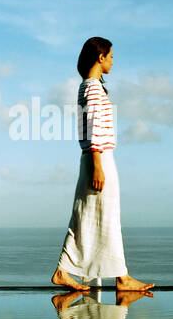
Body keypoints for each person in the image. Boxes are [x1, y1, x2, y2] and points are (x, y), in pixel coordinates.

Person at [51, 37, 154, 293]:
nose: (112, 61)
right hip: (98, 158)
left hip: (96, 157)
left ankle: (70, 270)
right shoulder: (93, 88)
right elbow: (93, 125)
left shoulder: (88, 86)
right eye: (110, 56)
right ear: (100, 57)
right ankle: (120, 278)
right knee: (102, 218)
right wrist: (98, 163)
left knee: (89, 217)